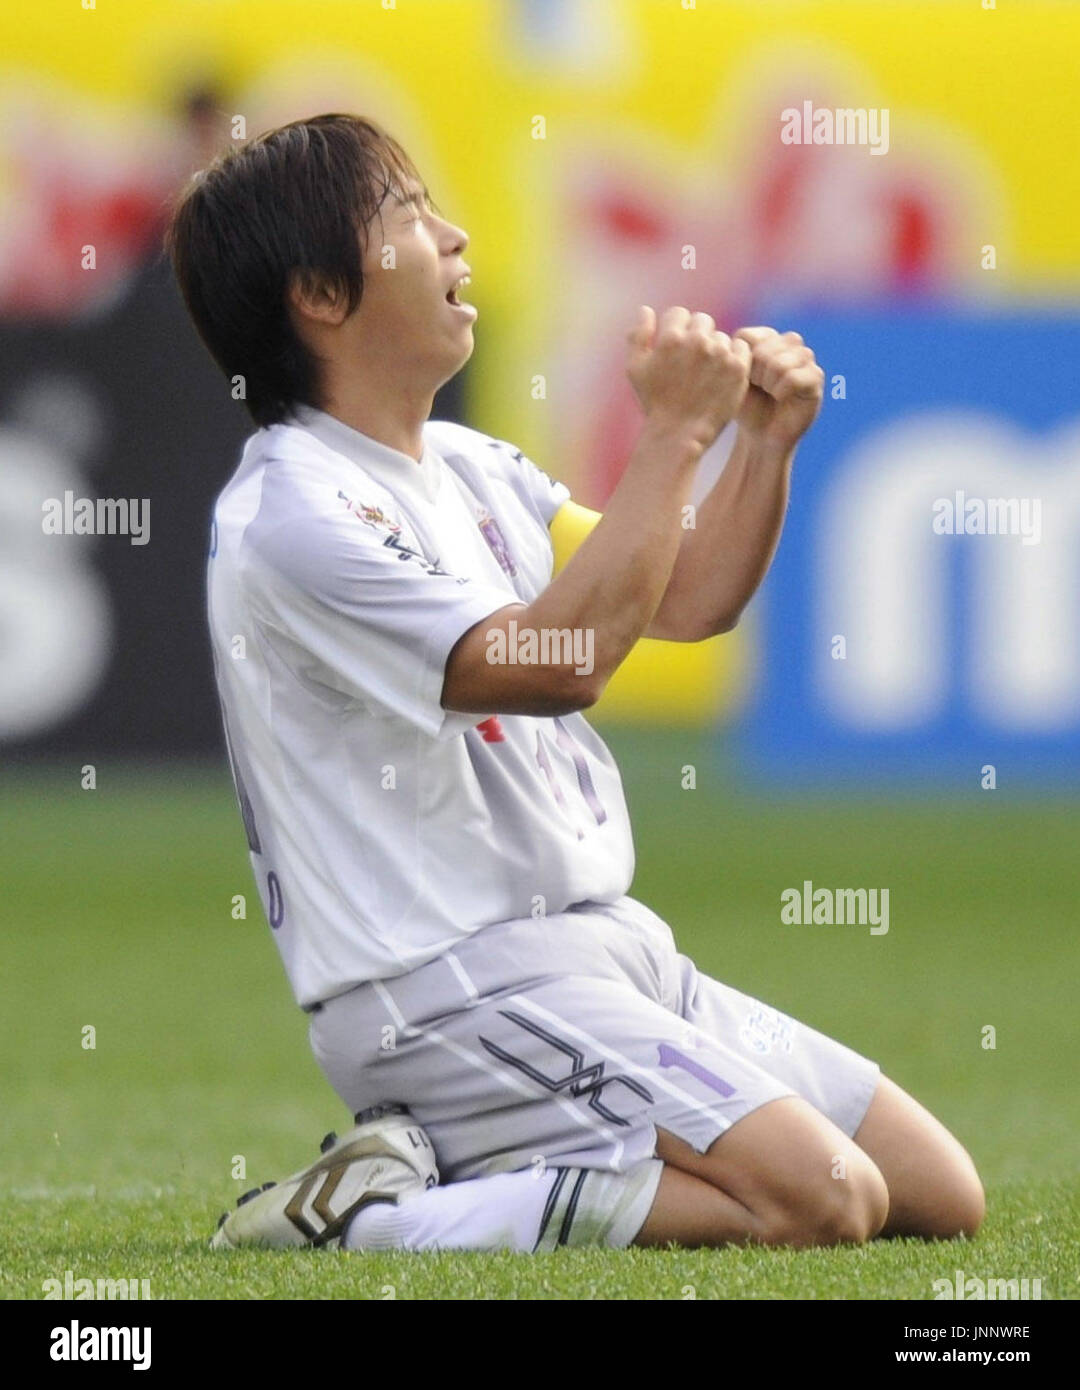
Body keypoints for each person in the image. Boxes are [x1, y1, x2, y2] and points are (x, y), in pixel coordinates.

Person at [165, 113, 984, 1255]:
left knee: (939, 1193)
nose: (452, 237)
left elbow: (689, 599)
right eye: (407, 216)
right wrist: (671, 437)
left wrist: (760, 447)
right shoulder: (294, 511)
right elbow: (563, 664)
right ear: (318, 291)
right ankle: (374, 1221)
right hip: (446, 990)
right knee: (824, 1200)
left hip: (605, 945)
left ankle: (483, 1153)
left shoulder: (466, 463)